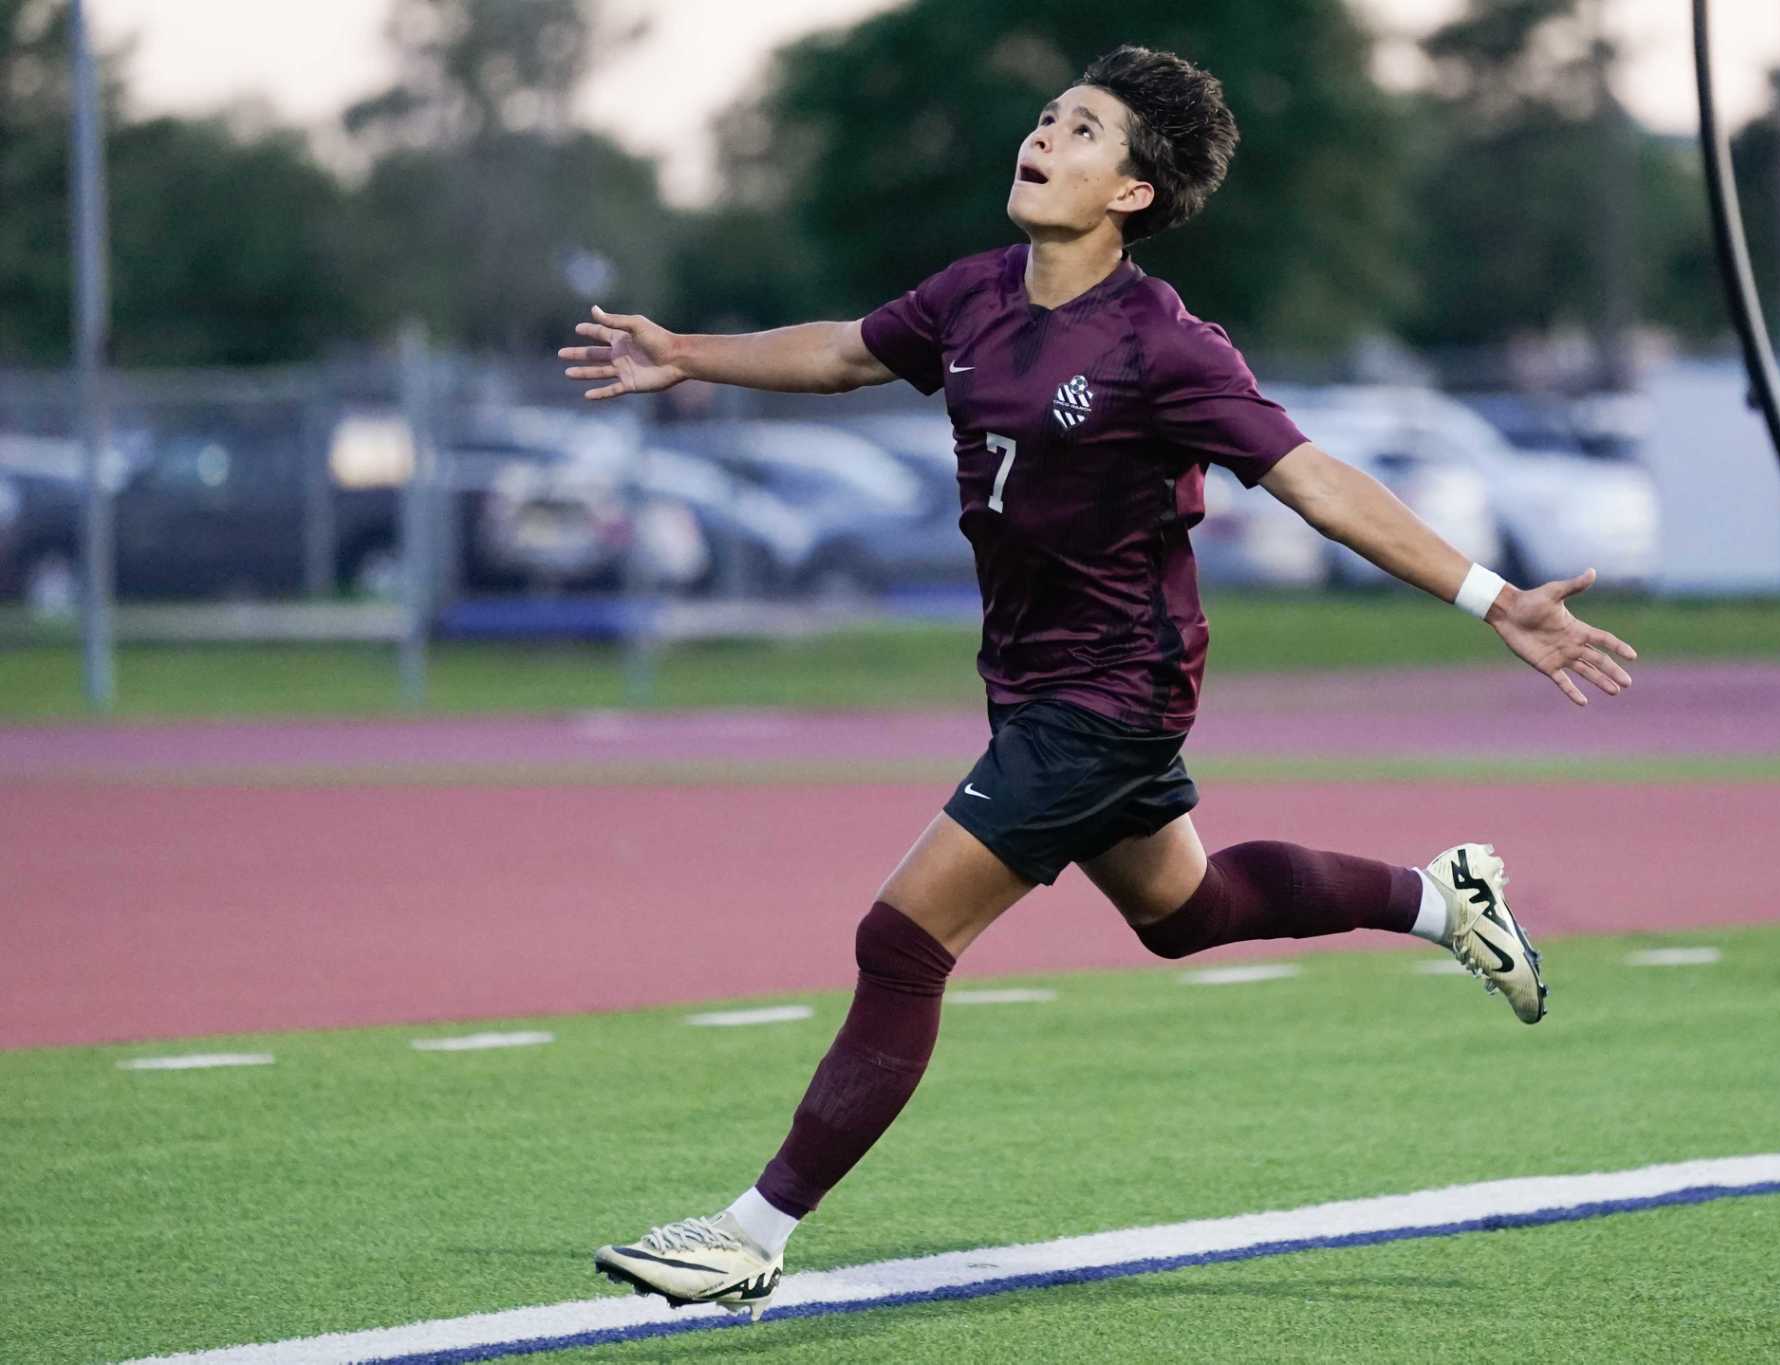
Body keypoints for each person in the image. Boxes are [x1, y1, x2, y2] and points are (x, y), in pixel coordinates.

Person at [562, 44, 1637, 1320]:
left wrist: (1492, 597)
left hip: (1113, 693)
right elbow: (846, 354)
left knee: (899, 943)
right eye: (1047, 118)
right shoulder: (973, 296)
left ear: (1129, 192)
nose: (1045, 136)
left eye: (1081, 129)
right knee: (1186, 912)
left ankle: (750, 1235)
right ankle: (1440, 899)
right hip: (1029, 683)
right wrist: (685, 350)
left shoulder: (1163, 346)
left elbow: (1316, 482)